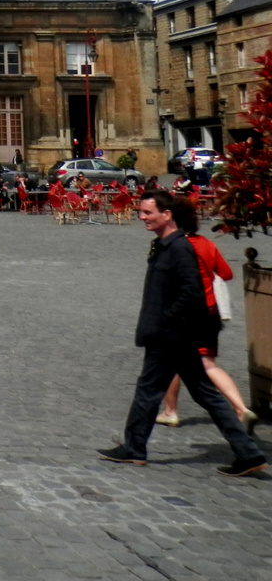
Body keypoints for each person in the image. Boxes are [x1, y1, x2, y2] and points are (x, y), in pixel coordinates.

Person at [98, 189, 266, 476]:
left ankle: (135, 448)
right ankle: (249, 453)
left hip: (170, 335)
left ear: (167, 214)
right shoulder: (165, 245)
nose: (142, 217)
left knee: (148, 390)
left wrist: (167, 321)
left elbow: (192, 292)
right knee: (205, 394)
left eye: (148, 213)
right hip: (177, 335)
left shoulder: (179, 248)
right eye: (141, 212)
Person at [156, 199, 257, 431]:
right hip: (210, 312)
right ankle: (241, 408)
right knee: (207, 363)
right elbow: (226, 273)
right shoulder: (206, 244)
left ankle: (171, 411)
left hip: (186, 313)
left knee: (172, 361)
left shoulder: (175, 247)